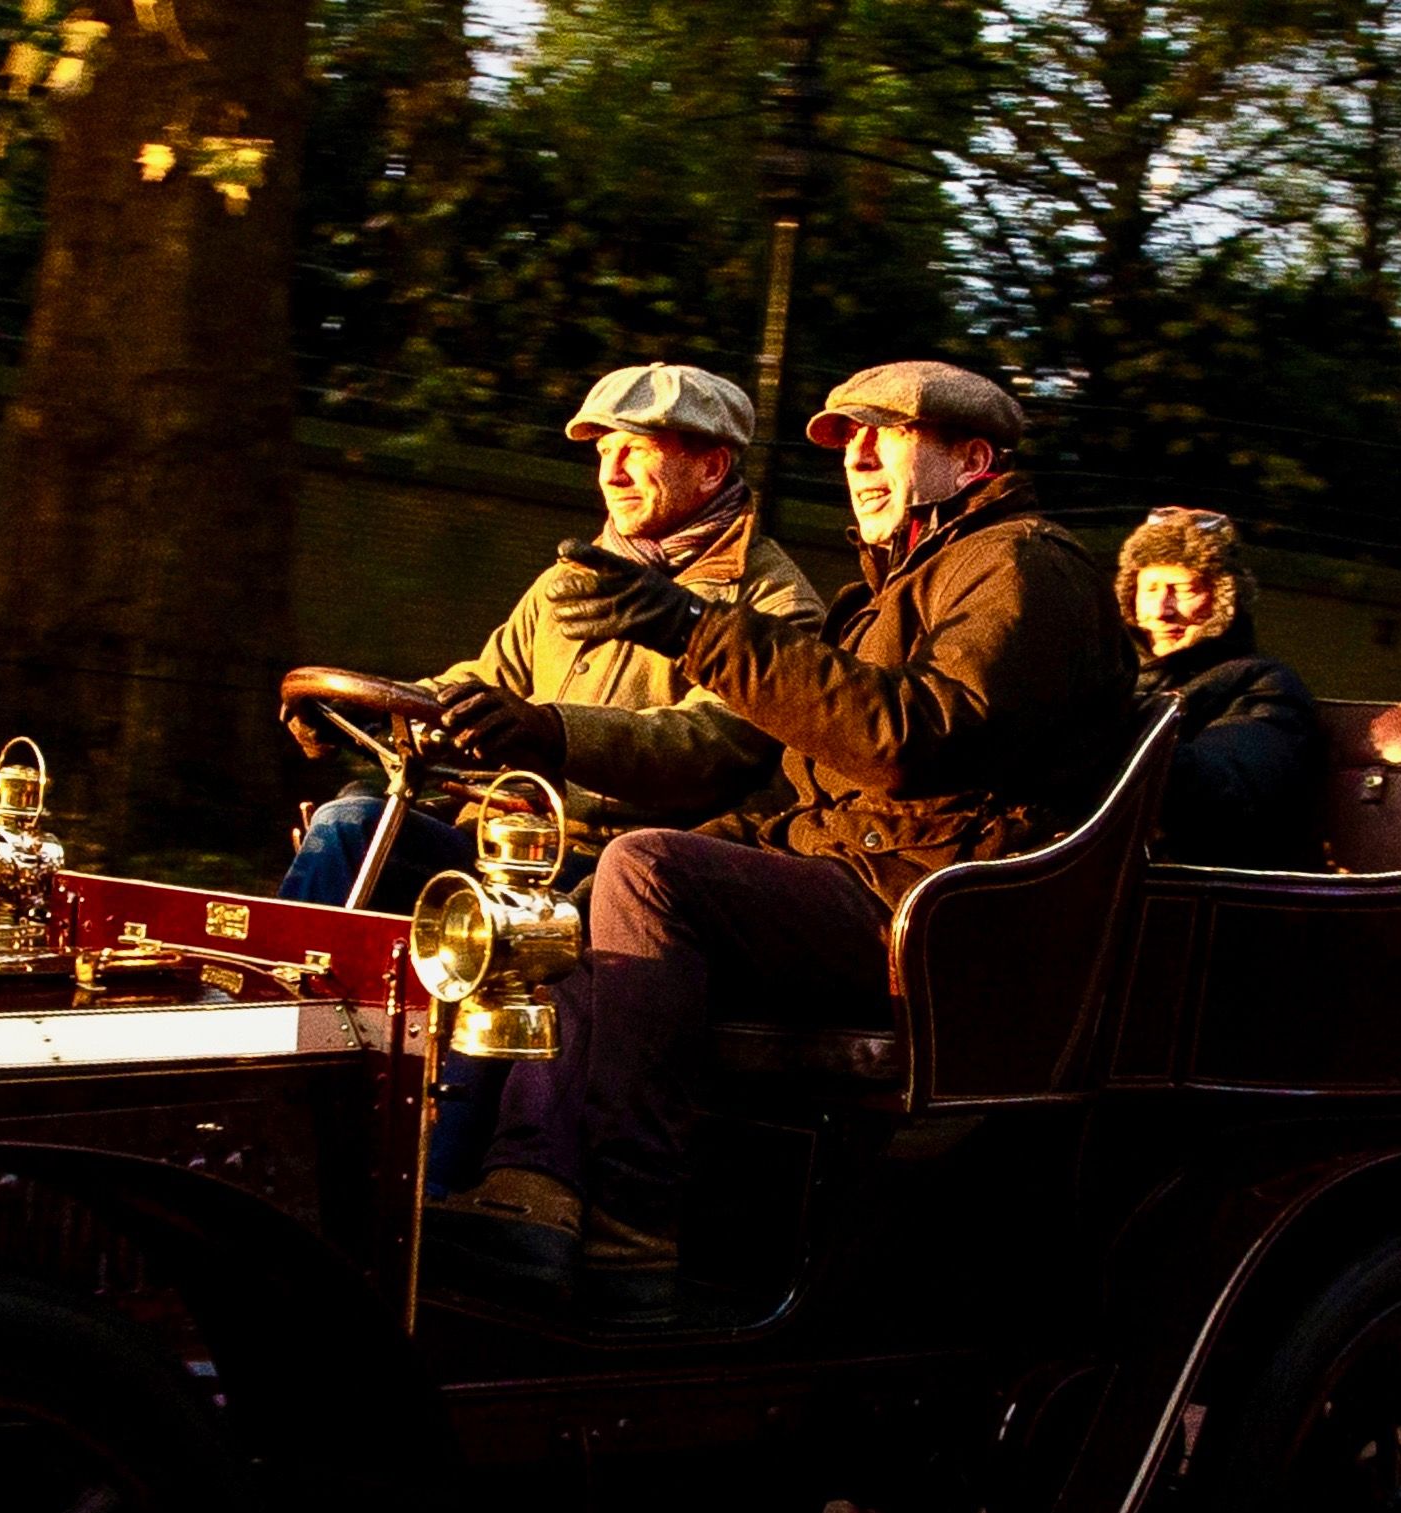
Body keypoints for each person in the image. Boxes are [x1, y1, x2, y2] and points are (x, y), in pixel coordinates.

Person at [428, 358, 1136, 1318]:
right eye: (850, 442)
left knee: (644, 866)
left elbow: (907, 739)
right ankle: (525, 1192)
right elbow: (813, 791)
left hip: (946, 913)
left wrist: (697, 630)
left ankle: (630, 1230)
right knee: (588, 894)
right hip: (875, 875)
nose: (860, 460)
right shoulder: (891, 588)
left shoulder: (1023, 564)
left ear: (973, 461)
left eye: (888, 437)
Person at [278, 362, 825, 910]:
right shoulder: (572, 577)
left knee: (354, 830)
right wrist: (371, 710)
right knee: (351, 825)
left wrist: (554, 730)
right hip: (505, 839)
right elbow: (486, 680)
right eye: (605, 452)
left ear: (711, 468)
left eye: (636, 450)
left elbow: (710, 746)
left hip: (628, 872)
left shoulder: (775, 605)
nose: (611, 475)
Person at [1118, 507, 1322, 871]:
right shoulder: (1118, 678)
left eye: (1183, 589)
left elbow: (1226, 792)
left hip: (1195, 884)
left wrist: (1109, 734)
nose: (1162, 610)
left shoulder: (1265, 685)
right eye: (1148, 589)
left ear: (1225, 598)